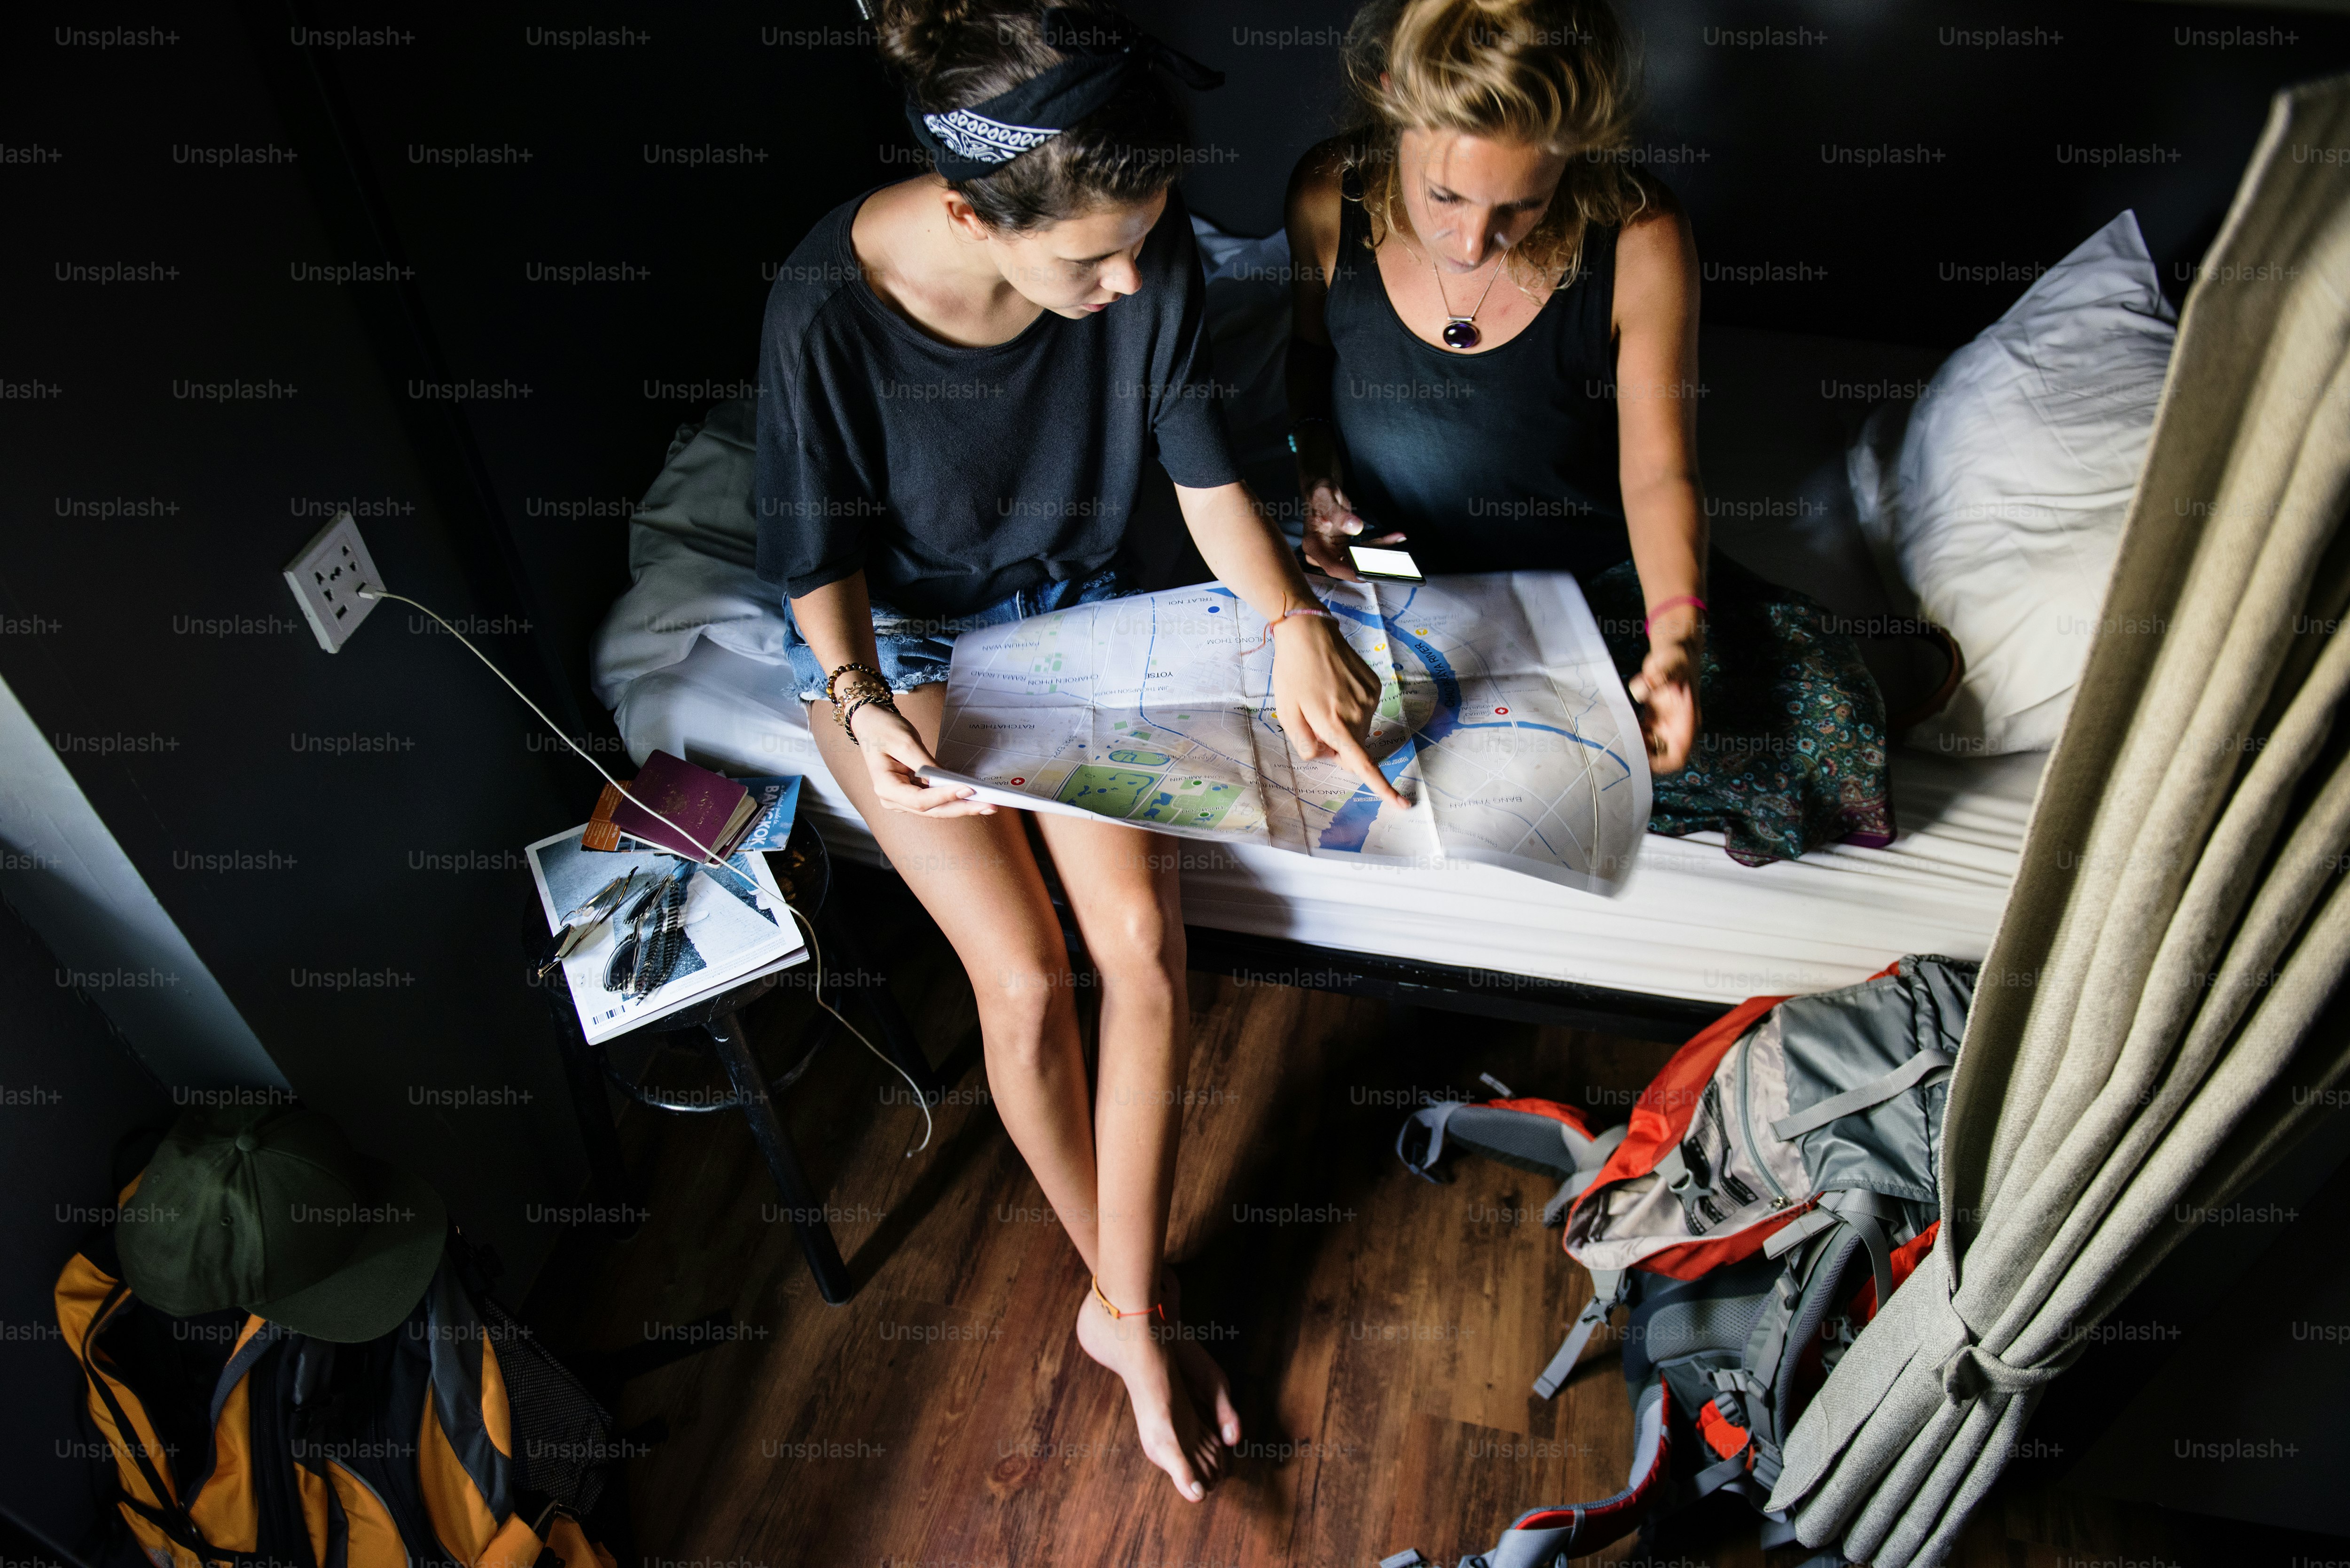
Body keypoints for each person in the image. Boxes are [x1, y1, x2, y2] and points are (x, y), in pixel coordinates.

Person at [755, 0, 1405, 1502]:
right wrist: (852, 703)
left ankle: (1121, 1306)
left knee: (1144, 951)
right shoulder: (822, 304)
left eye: (1145, 241)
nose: (1129, 279)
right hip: (898, 644)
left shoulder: (1145, 252)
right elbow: (814, 564)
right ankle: (1124, 1293)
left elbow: (1204, 468)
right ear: (976, 212)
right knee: (1027, 975)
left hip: (1083, 604)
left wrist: (1292, 619)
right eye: (1089, 260)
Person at [1286, 0, 1891, 865]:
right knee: (1306, 700)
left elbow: (1659, 475)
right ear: (1390, 106)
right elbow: (1308, 361)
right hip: (1394, 565)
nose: (1472, 242)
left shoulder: (1641, 234)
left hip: (1576, 583)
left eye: (1521, 206)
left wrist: (1676, 646)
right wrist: (1317, 482)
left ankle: (1896, 675)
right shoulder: (1327, 192)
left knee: (1816, 710)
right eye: (1446, 195)